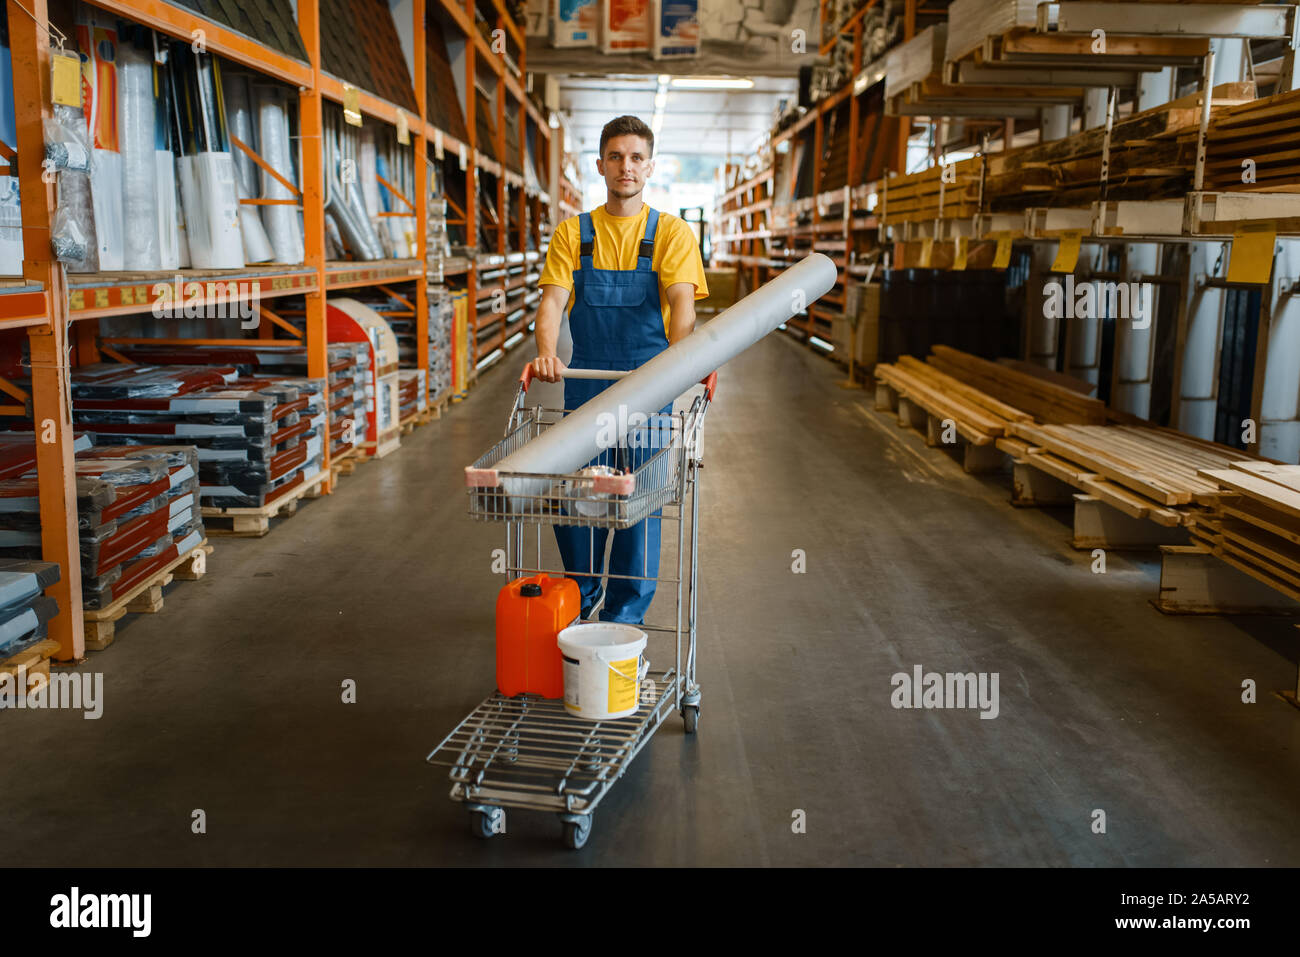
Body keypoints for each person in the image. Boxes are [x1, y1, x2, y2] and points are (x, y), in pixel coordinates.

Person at [531, 114, 709, 625]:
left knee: (639, 504)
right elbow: (552, 304)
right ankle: (581, 602)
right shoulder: (574, 233)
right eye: (615, 157)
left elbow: (683, 306)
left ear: (649, 167)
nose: (625, 167)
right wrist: (548, 353)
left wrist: (678, 362)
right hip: (587, 384)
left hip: (649, 384)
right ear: (600, 165)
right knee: (577, 497)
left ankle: (623, 620)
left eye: (635, 158)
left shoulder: (671, 233)